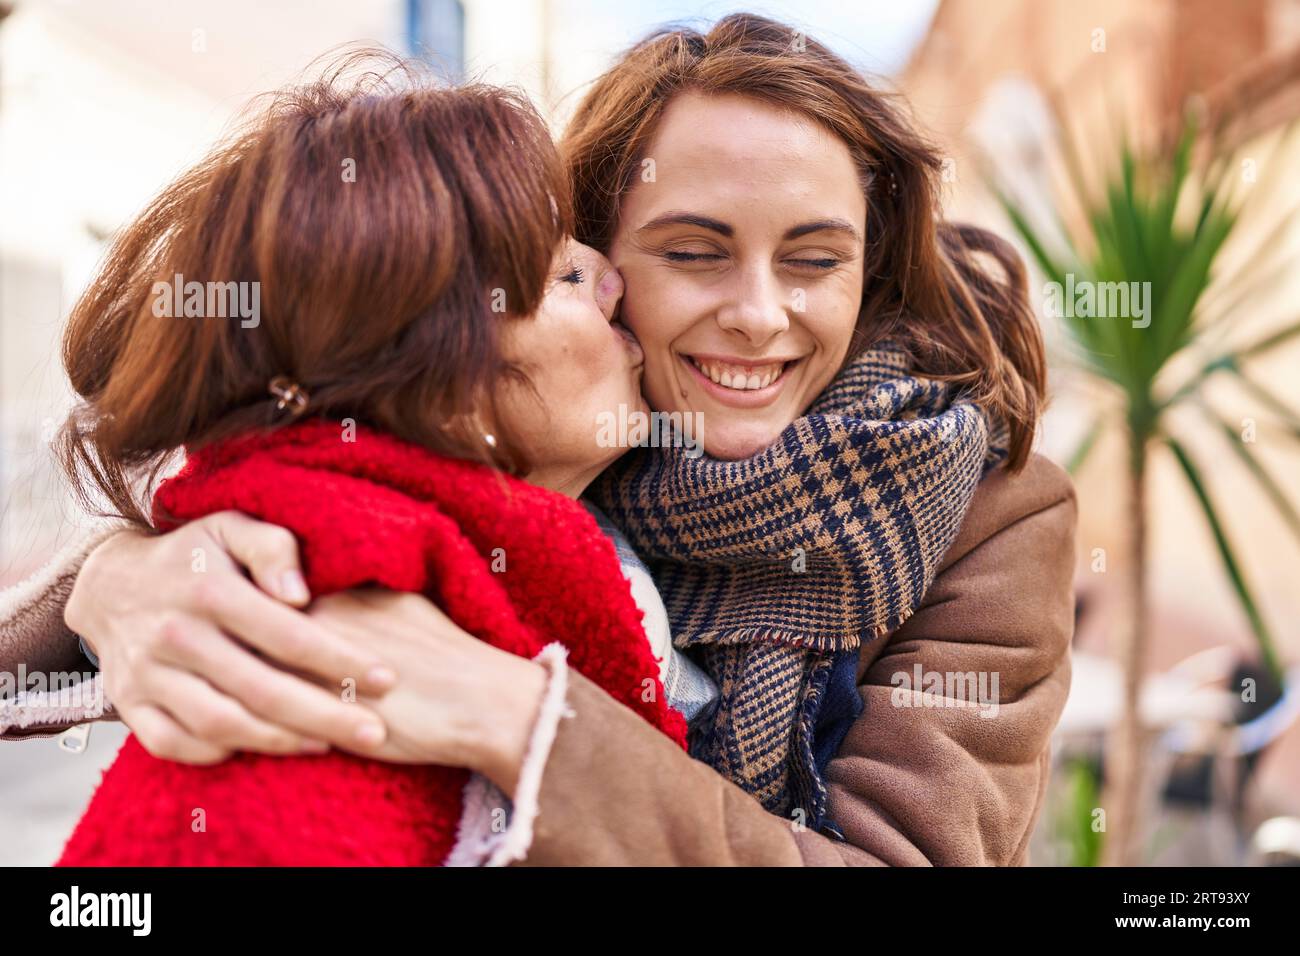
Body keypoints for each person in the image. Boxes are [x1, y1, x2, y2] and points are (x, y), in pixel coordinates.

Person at [1, 15, 1076, 865]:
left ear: (871, 269)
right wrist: (132, 569)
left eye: (813, 260)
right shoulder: (554, 425)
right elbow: (330, 464)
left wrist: (520, 717)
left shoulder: (982, 502)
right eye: (695, 252)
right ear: (593, 258)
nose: (758, 313)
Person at [2, 62, 708, 866]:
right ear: (439, 377)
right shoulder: (296, 700)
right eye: (565, 275)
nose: (615, 282)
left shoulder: (583, 560)